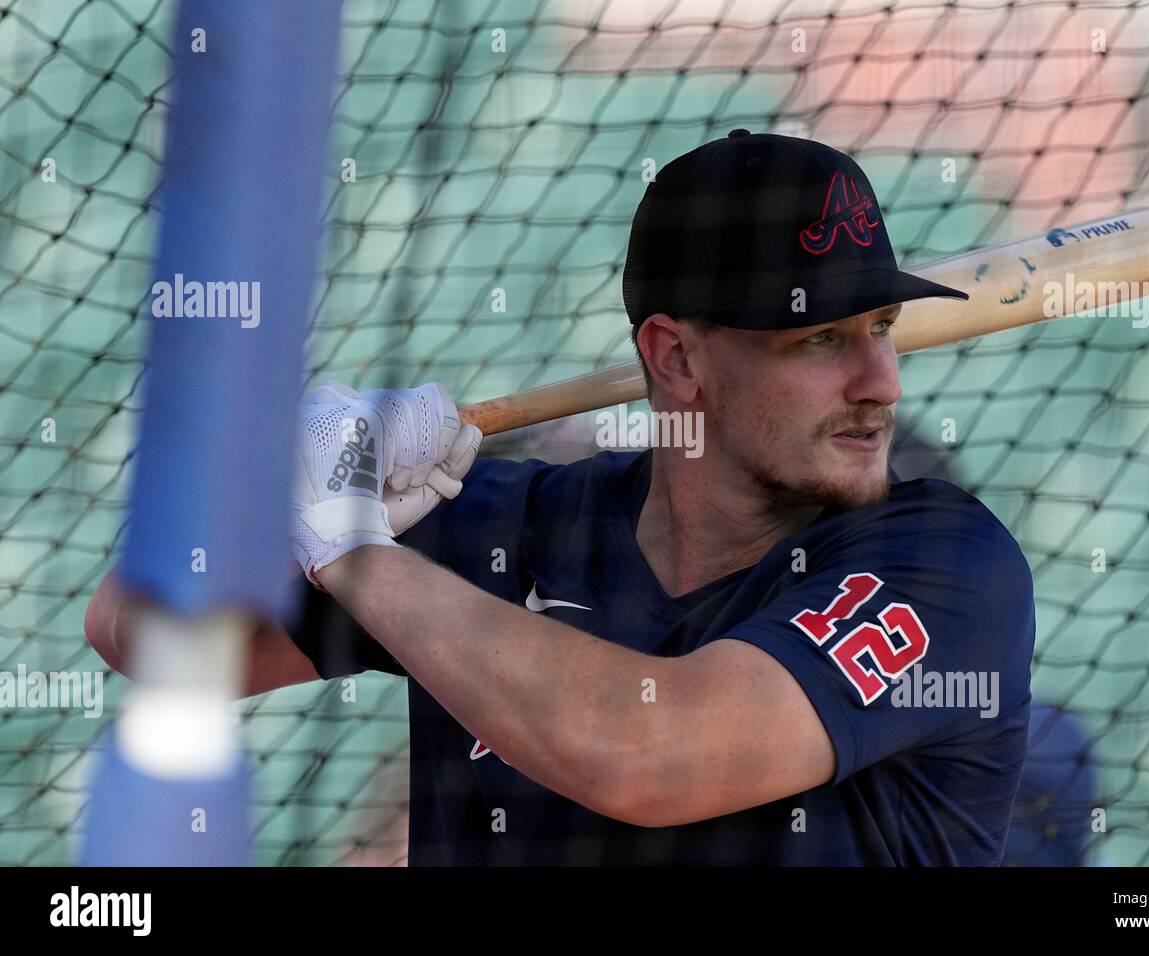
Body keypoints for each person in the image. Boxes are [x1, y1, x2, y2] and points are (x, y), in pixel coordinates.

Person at [87, 130, 1036, 865]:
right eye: (822, 340)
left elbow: (649, 750)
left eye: (881, 325)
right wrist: (261, 491)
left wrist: (351, 553)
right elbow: (147, 640)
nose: (883, 381)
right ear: (676, 358)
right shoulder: (498, 528)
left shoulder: (943, 565)